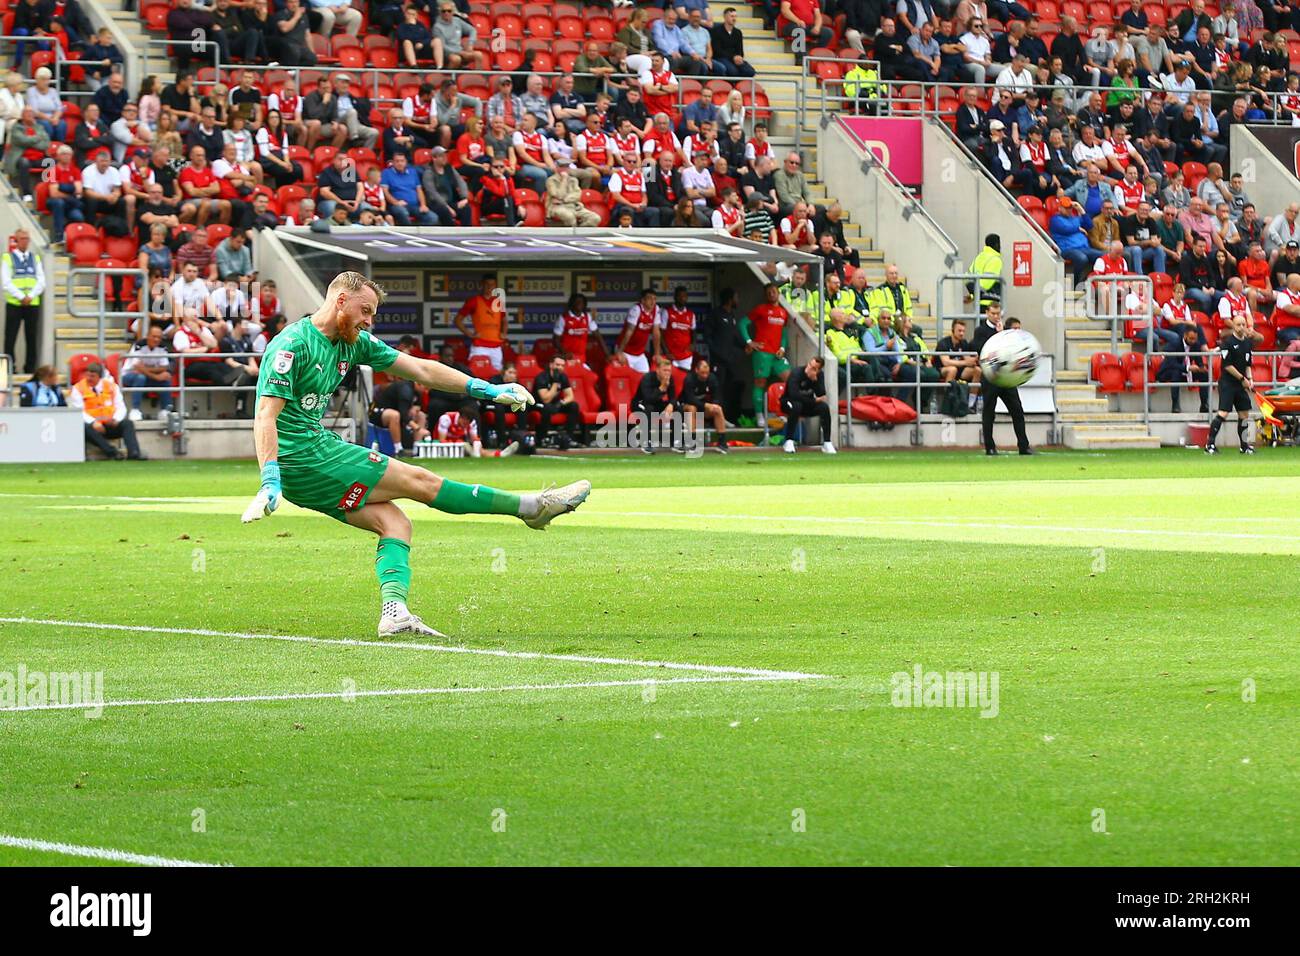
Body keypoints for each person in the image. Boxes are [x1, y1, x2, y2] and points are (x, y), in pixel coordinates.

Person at [242, 272, 589, 637]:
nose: (369, 321)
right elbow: (265, 414)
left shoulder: (352, 342)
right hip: (304, 457)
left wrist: (486, 389)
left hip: (314, 460)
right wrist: (269, 479)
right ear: (341, 300)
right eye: (366, 311)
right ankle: (532, 507)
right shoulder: (291, 345)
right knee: (421, 480)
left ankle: (395, 612)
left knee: (395, 524)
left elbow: (421, 369)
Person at [973, 305, 1032, 455]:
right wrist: (998, 336)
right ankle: (990, 446)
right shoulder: (981, 331)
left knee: (1017, 410)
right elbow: (982, 350)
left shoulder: (1005, 331)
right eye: (993, 313)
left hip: (1006, 378)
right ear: (987, 313)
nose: (996, 316)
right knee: (989, 412)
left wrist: (1003, 334)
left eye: (998, 313)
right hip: (991, 377)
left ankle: (1024, 446)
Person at [70, 362, 147, 460]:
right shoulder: (78, 388)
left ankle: (134, 453)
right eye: (88, 375)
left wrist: (116, 419)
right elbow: (79, 411)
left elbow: (120, 407)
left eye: (92, 376)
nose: (89, 379)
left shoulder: (112, 387)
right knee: (84, 427)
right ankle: (113, 453)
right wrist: (93, 422)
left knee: (127, 424)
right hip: (93, 427)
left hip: (109, 424)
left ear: (100, 377)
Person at [741, 282, 791, 429]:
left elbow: (784, 332)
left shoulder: (783, 312)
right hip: (762, 354)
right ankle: (759, 416)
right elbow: (743, 323)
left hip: (777, 356)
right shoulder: (761, 309)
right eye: (768, 292)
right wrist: (750, 342)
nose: (771, 294)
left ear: (778, 293)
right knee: (760, 383)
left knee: (791, 380)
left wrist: (782, 347)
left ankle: (781, 411)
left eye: (774, 291)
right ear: (765, 295)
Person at [1206, 312, 1257, 454]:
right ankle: (1209, 444)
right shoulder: (1227, 343)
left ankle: (1244, 445)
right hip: (1228, 383)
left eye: (1243, 324)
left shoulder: (1247, 343)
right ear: (1233, 326)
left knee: (1244, 414)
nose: (1241, 327)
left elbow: (1248, 364)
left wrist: (1250, 380)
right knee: (1223, 413)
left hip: (1241, 384)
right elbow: (1227, 366)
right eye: (1238, 324)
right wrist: (1242, 379)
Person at [2, 228, 44, 374]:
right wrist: (21, 296)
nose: (25, 241)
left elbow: (41, 280)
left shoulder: (35, 258)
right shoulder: (8, 258)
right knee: (10, 337)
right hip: (15, 303)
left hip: (32, 303)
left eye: (27, 238)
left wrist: (31, 295)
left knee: (31, 338)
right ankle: (8, 369)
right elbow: (6, 282)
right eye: (22, 238)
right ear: (16, 240)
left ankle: (30, 368)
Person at [780, 355, 835, 454]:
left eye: (814, 368)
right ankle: (789, 441)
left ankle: (827, 442)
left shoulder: (819, 376)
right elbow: (794, 395)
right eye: (809, 365)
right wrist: (814, 401)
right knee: (796, 405)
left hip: (806, 405)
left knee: (824, 407)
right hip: (788, 402)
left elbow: (821, 395)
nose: (809, 369)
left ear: (818, 370)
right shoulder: (796, 373)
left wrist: (815, 381)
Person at [121, 325, 175, 421]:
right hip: (128, 375)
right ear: (148, 336)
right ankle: (135, 410)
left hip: (146, 376)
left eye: (159, 337)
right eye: (154, 336)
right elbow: (136, 366)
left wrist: (146, 369)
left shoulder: (162, 347)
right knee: (140, 377)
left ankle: (165, 411)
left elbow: (164, 367)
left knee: (165, 379)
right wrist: (156, 375)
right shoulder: (139, 345)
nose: (156, 339)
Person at [454, 274, 507, 369]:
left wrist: (504, 333)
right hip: (480, 346)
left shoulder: (498, 302)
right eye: (487, 284)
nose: (489, 287)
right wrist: (470, 334)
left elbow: (504, 320)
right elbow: (458, 320)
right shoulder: (473, 301)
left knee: (497, 375)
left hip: (496, 346)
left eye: (492, 285)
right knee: (476, 373)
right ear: (482, 285)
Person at [531, 354, 585, 449]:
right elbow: (545, 399)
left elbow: (570, 396)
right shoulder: (542, 377)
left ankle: (569, 438)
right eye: (557, 365)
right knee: (546, 407)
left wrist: (560, 403)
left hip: (554, 404)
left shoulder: (563, 377)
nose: (560, 367)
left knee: (573, 406)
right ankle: (544, 438)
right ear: (551, 365)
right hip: (538, 404)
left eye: (562, 365)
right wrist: (555, 383)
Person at [1157, 325, 1210, 414]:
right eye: (1191, 338)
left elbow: (1198, 359)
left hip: (1185, 372)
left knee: (1204, 374)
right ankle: (1175, 405)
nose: (1193, 341)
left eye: (1195, 339)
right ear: (1185, 335)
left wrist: (1201, 367)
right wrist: (1188, 368)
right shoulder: (1174, 343)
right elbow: (1171, 363)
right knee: (1176, 372)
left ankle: (1204, 405)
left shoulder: (1196, 344)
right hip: (1168, 371)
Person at [679, 356, 728, 452]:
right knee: (692, 408)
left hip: (703, 409)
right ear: (696, 370)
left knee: (718, 409)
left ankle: (722, 442)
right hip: (686, 407)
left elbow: (717, 396)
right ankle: (692, 441)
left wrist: (714, 404)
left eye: (707, 373)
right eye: (702, 373)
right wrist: (706, 405)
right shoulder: (689, 379)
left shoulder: (712, 378)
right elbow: (690, 398)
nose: (705, 375)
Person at [616, 289, 663, 374]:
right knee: (627, 378)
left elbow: (656, 333)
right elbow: (629, 331)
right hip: (626, 352)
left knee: (645, 379)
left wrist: (657, 354)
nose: (653, 302)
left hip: (639, 354)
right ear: (643, 300)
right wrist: (620, 352)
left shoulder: (656, 309)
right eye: (649, 298)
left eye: (654, 299)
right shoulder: (636, 310)